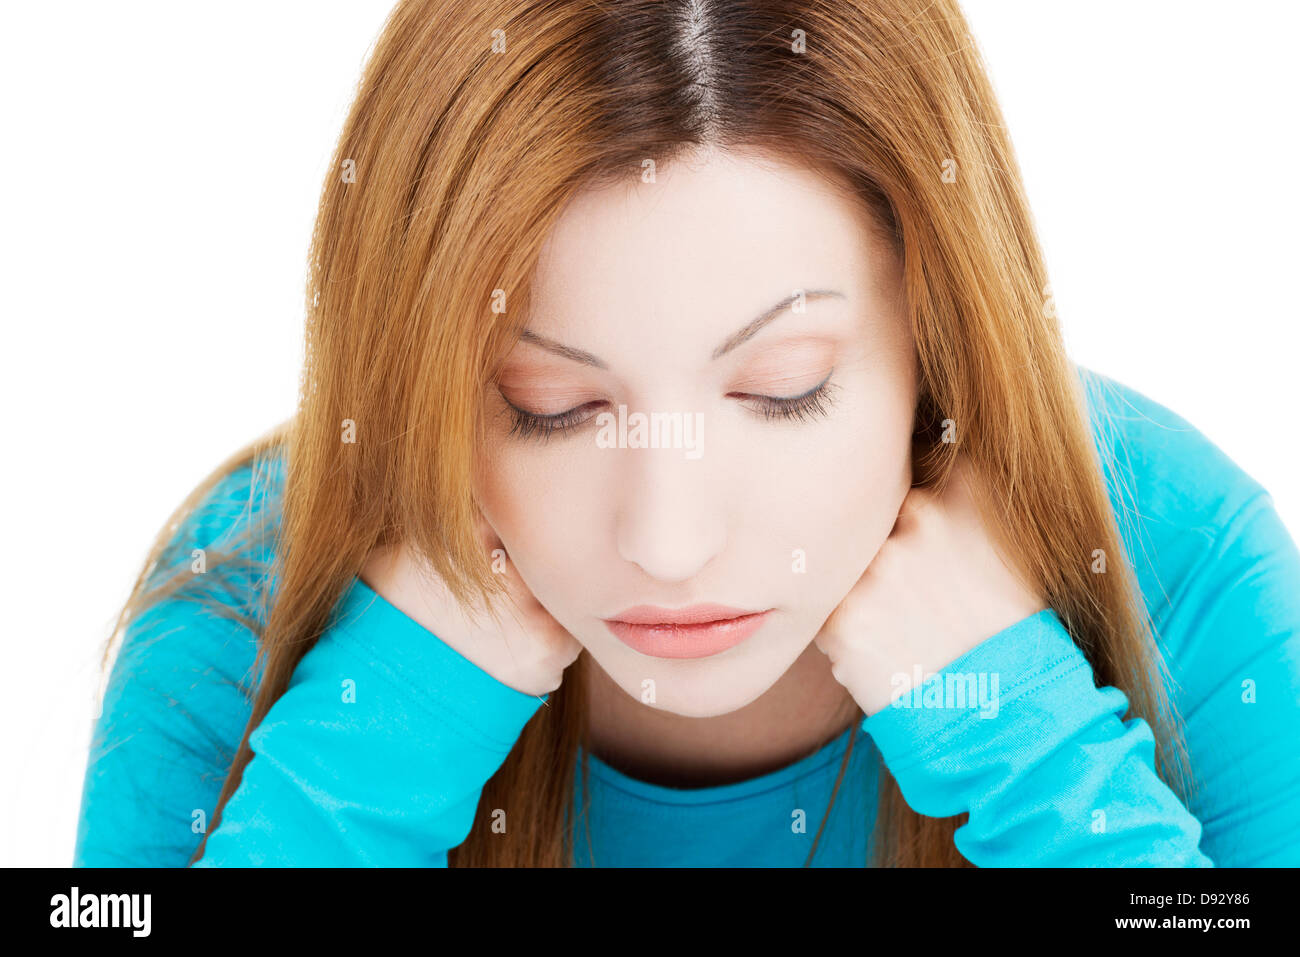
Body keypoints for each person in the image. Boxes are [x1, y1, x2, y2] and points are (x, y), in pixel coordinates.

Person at [74, 0, 1300, 867]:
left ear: (939, 335)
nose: (668, 543)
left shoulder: (1183, 562)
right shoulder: (239, 593)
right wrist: (371, 745)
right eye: (548, 406)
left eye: (783, 389)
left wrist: (1029, 748)